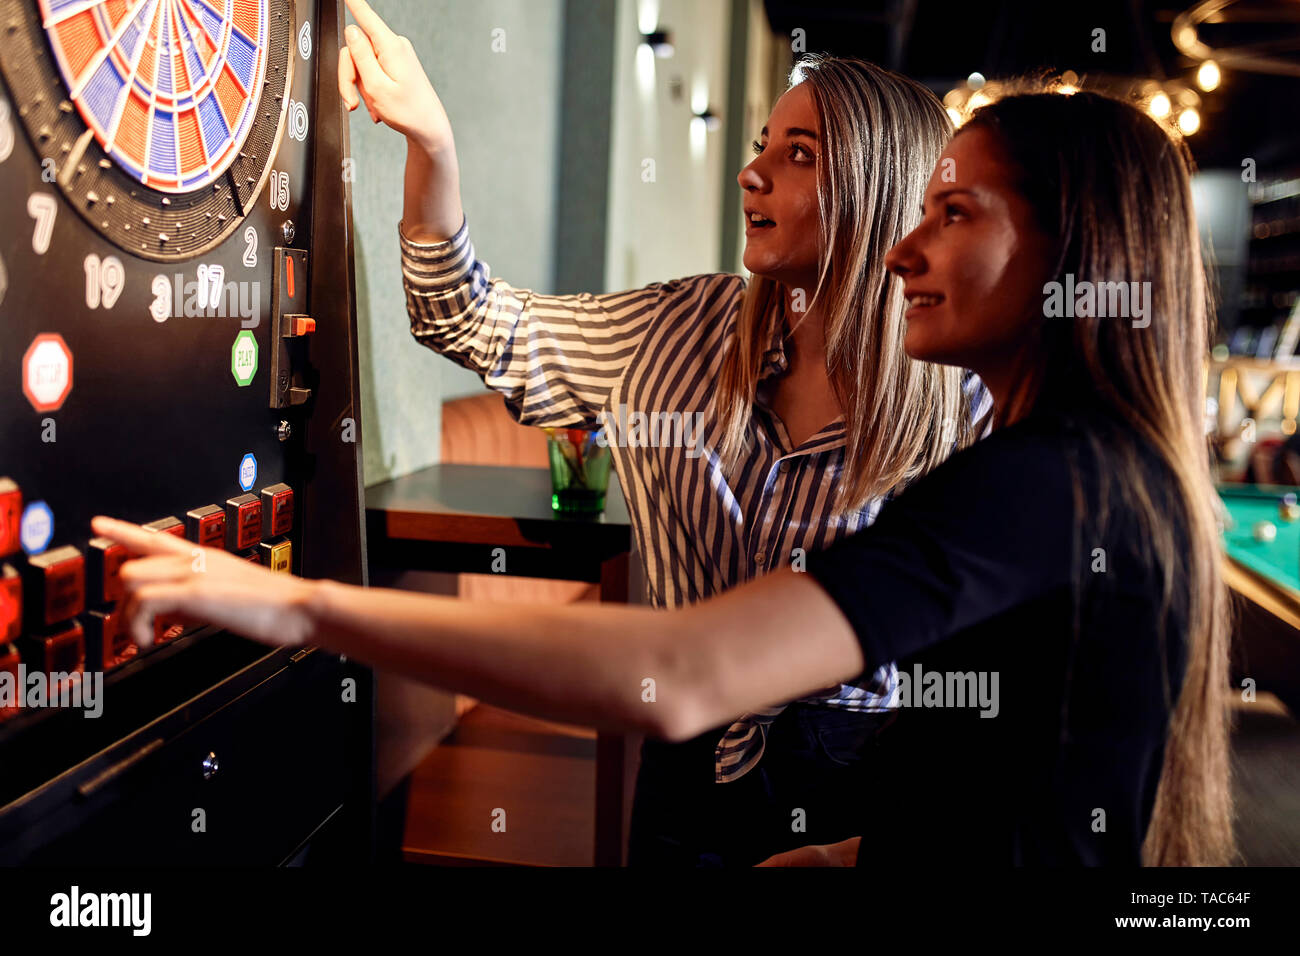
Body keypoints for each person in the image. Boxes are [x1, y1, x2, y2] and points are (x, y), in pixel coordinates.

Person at [95, 87, 1235, 866]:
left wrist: (291, 600)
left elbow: (688, 666)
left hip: (830, 753)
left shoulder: (1037, 470)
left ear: (1068, 254)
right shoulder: (1085, 466)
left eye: (950, 213)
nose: (905, 251)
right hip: (721, 776)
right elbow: (1020, 768)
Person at [330, 0, 986, 866]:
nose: (752, 174)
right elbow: (470, 320)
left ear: (877, 192)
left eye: (798, 157)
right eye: (761, 146)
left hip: (858, 768)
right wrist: (433, 143)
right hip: (688, 742)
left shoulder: (958, 399)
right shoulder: (678, 331)